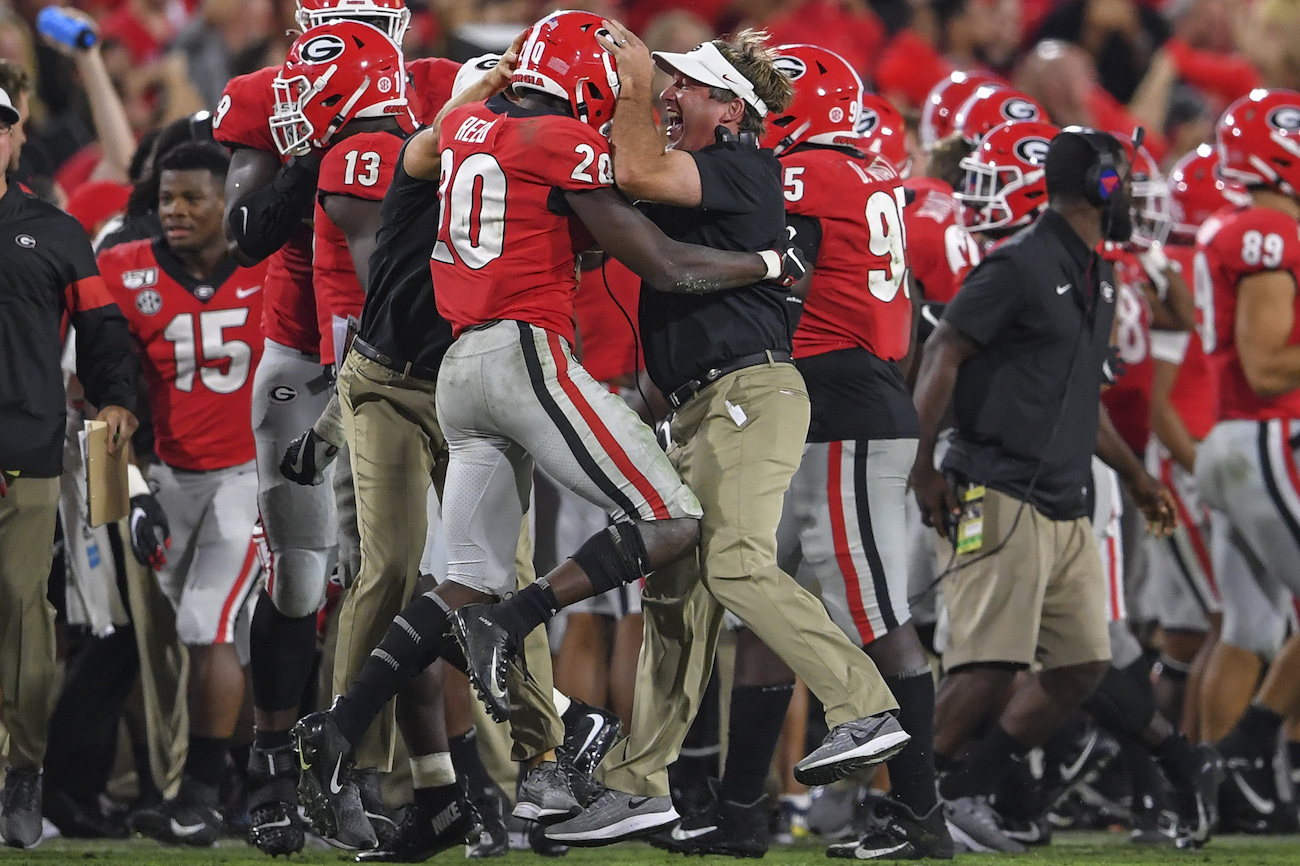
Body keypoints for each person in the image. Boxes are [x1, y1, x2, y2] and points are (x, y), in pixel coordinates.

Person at [291, 7, 805, 850]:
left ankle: (339, 730)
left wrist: (489, 92)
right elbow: (663, 264)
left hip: (457, 372)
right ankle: (518, 618)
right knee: (673, 519)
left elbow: (446, 161)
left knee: (456, 582)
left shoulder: (456, 132)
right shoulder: (560, 140)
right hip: (524, 356)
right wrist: (768, 263)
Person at [539, 23, 907, 846]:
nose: (669, 95)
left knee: (736, 563)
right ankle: (640, 782)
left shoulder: (742, 166)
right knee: (676, 600)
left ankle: (862, 704)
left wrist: (633, 86)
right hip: (702, 406)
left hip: (748, 392)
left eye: (688, 87)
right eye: (667, 86)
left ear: (730, 110)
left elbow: (631, 168)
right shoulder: (707, 175)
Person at [213, 0, 459, 852]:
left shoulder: (440, 88)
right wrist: (323, 136)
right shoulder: (269, 96)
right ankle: (275, 771)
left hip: (406, 364)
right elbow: (244, 232)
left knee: (399, 580)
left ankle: (397, 779)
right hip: (302, 361)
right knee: (300, 578)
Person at [910, 126, 1178, 852]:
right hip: (1001, 485)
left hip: (1065, 498)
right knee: (986, 665)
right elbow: (942, 352)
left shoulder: (1097, 268)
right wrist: (923, 464)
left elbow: (1078, 399)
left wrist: (1136, 475)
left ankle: (960, 795)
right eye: (1119, 176)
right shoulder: (1020, 264)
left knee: (1082, 664)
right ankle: (908, 805)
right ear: (1103, 185)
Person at [98, 140, 267, 847]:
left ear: (230, 202)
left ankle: (199, 796)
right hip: (165, 478)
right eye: (167, 197)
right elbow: (97, 398)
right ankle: (249, 783)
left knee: (208, 626)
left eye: (193, 197)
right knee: (213, 639)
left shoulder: (273, 265)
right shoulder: (120, 270)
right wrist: (128, 492)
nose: (175, 210)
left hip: (249, 478)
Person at [0, 81, 138, 850]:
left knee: (22, 617)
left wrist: (116, 396)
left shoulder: (54, 231)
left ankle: (23, 772)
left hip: (23, 450)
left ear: (17, 139)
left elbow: (100, 322)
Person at [1193, 87, 1300, 833]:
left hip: (1232, 442)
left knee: (1249, 630)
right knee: (1249, 627)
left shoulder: (1239, 224)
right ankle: (1249, 752)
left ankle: (1219, 786)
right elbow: (1268, 366)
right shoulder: (1266, 228)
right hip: (1266, 434)